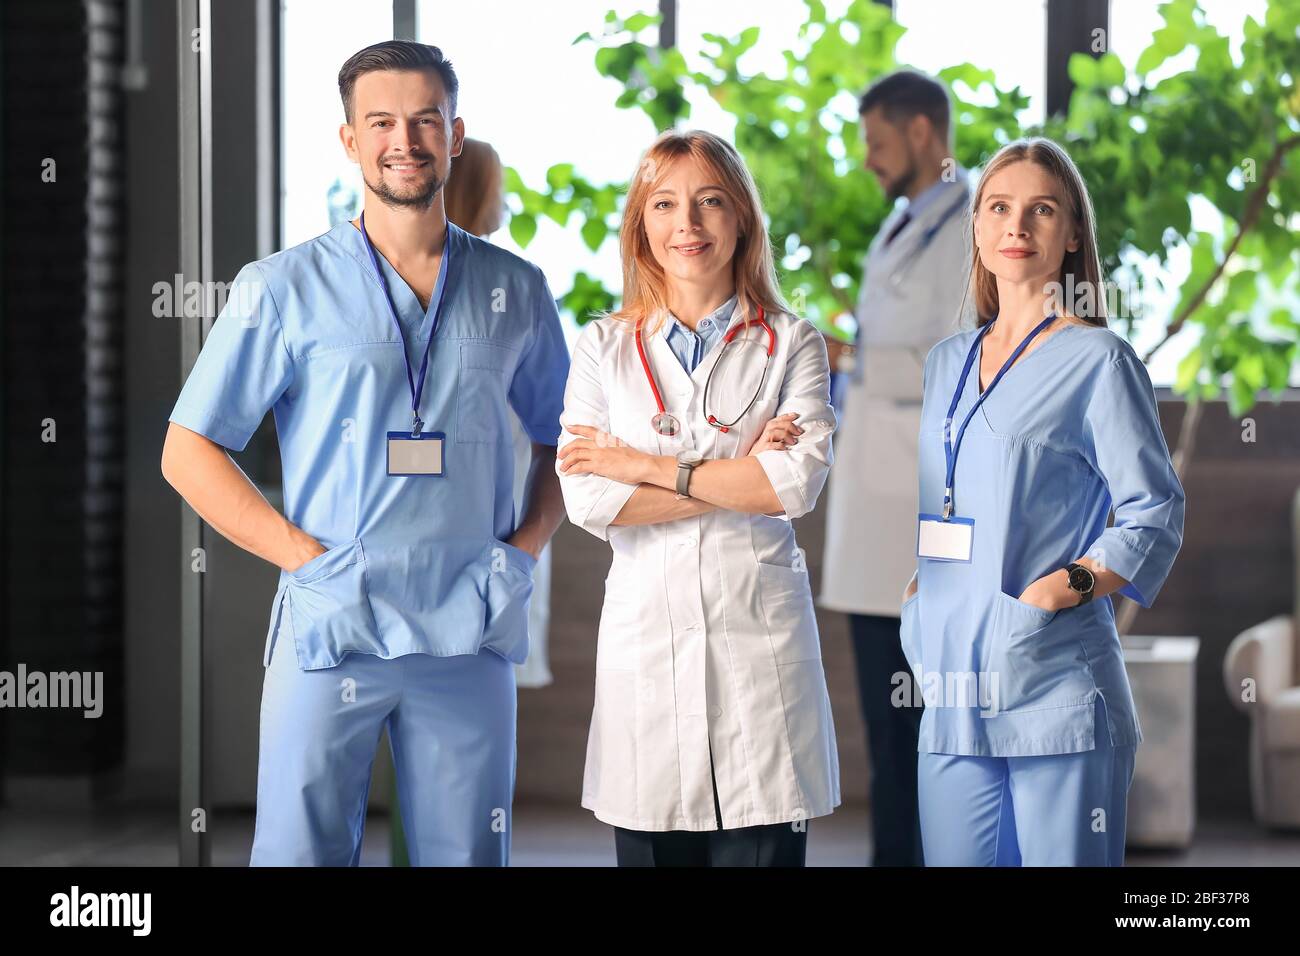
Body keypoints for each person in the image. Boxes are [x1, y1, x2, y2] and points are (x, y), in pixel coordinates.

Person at [159, 41, 570, 866]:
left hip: (467, 627)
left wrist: (518, 555)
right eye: (381, 121)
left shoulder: (515, 290)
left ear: (456, 136)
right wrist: (305, 562)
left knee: (466, 856)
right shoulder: (280, 288)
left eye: (425, 121)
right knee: (298, 854)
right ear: (349, 139)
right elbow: (187, 449)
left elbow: (571, 442)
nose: (404, 141)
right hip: (332, 626)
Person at [556, 129, 840, 867]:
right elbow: (588, 497)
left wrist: (640, 464)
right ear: (642, 225)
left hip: (758, 644)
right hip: (647, 643)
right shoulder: (601, 346)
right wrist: (737, 473)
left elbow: (793, 484)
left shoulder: (793, 342)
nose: (688, 224)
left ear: (741, 217)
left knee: (763, 841)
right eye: (666, 204)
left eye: (710, 201)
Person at [903, 137, 1184, 866]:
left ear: (1073, 234)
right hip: (954, 688)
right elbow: (951, 499)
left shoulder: (1099, 359)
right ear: (977, 226)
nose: (1016, 227)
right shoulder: (946, 364)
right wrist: (919, 595)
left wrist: (1064, 590)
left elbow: (1154, 511)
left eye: (1041, 210)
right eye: (998, 207)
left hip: (1054, 684)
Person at [819, 70, 972, 867]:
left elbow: (964, 360)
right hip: (876, 509)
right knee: (889, 727)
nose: (869, 161)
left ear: (920, 133)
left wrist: (857, 354)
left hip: (920, 521)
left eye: (877, 143)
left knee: (922, 725)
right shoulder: (905, 226)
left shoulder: (973, 223)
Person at [444, 137, 556, 689]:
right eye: (499, 190)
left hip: (503, 538)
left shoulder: (517, 287)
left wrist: (524, 548)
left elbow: (555, 433)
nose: (505, 205)